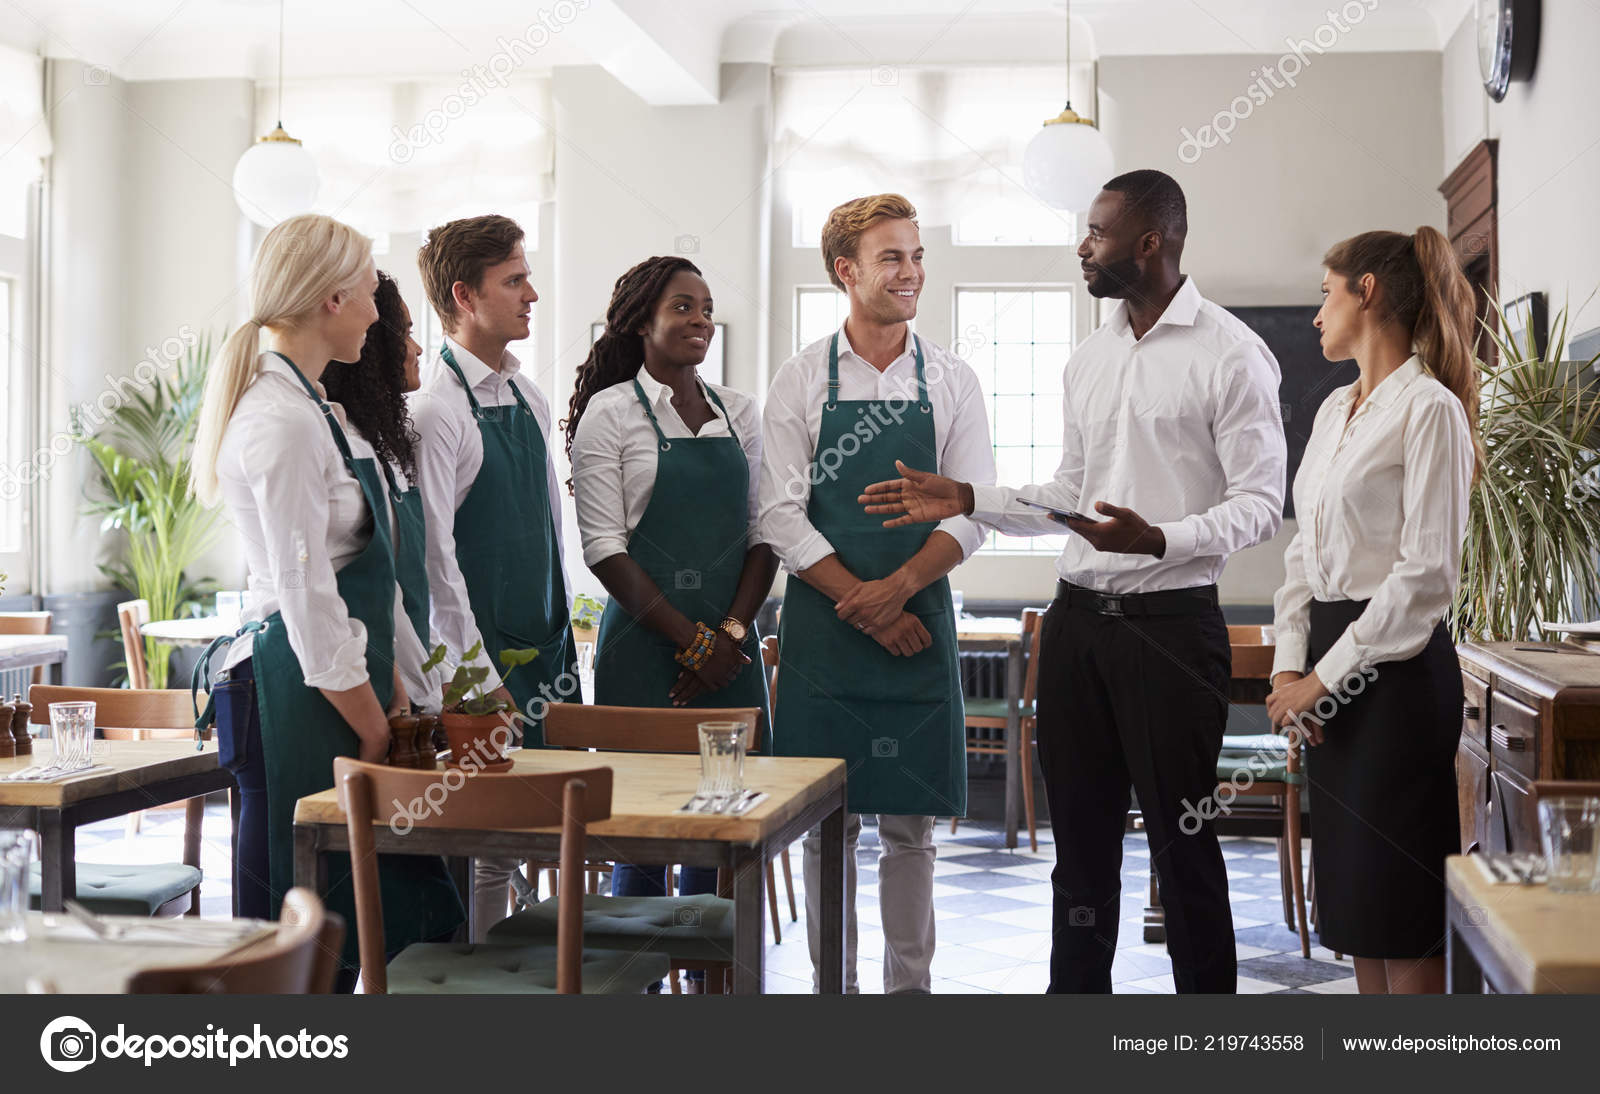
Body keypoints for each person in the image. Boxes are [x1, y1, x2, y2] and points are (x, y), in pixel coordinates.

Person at [861, 170, 1286, 993]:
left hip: (1171, 629)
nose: (1082, 247)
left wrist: (1160, 538)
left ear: (1150, 242)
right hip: (1079, 625)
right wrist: (968, 497)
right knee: (1079, 850)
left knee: (1182, 844)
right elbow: (1067, 497)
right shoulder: (1090, 358)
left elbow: (1262, 503)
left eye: (1096, 233)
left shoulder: (1233, 352)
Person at [191, 214, 462, 978]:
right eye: (371, 293)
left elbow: (374, 589)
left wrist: (406, 695)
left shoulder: (320, 413)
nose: (379, 314)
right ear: (332, 299)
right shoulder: (279, 423)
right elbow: (309, 598)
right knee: (298, 921)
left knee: (382, 908)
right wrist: (375, 727)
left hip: (344, 691)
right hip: (292, 693)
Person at [758, 193, 996, 994]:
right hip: (826, 634)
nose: (911, 272)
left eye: (918, 255)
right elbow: (778, 514)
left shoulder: (954, 380)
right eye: (893, 257)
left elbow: (975, 511)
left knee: (911, 831)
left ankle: (908, 999)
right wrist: (861, 601)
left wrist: (896, 590)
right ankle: (838, 994)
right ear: (845, 270)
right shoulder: (800, 380)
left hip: (918, 620)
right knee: (829, 827)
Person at [1265, 227, 1478, 995]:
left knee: (1401, 908)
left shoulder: (1430, 410)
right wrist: (1291, 664)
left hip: (1394, 680)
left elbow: (1424, 578)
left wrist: (1322, 680)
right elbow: (1302, 556)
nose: (1316, 312)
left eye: (1326, 292)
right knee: (1355, 907)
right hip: (1327, 666)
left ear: (1367, 291)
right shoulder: (1330, 411)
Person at [567, 256, 778, 988]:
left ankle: (708, 986)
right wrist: (690, 641)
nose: (699, 321)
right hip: (642, 656)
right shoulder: (612, 413)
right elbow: (603, 548)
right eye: (682, 307)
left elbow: (764, 533)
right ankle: (637, 993)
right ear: (642, 322)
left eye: (706, 307)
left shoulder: (741, 412)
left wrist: (727, 637)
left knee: (720, 838)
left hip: (730, 656)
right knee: (642, 842)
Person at [412, 214, 575, 937]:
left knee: (535, 835)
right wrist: (478, 676)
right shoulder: (436, 409)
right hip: (481, 667)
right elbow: (435, 561)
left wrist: (567, 634)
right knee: (483, 847)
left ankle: (534, 977)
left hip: (546, 649)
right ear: (464, 295)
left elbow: (548, 532)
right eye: (514, 280)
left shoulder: (529, 396)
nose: (532, 293)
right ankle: (479, 980)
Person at [321, 270, 439, 711]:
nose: (418, 348)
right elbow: (382, 598)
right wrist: (424, 689)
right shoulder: (349, 448)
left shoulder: (386, 449)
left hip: (412, 684)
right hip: (380, 689)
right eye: (406, 333)